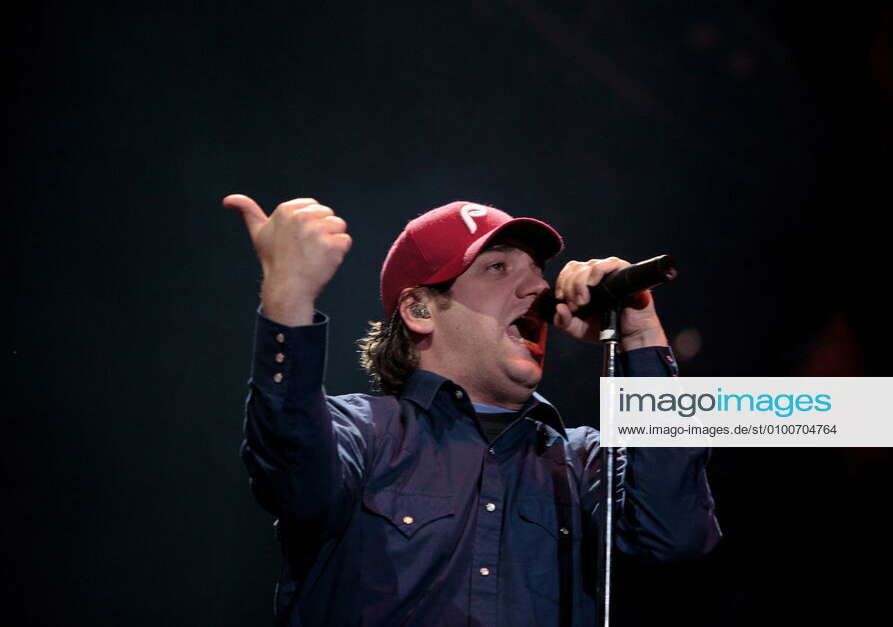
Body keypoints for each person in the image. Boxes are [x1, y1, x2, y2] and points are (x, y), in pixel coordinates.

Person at [224, 194, 721, 627]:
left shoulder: (581, 459)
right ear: (420, 309)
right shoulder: (361, 433)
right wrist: (289, 298)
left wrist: (640, 334)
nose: (540, 291)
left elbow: (674, 533)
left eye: (538, 275)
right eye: (498, 267)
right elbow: (290, 474)